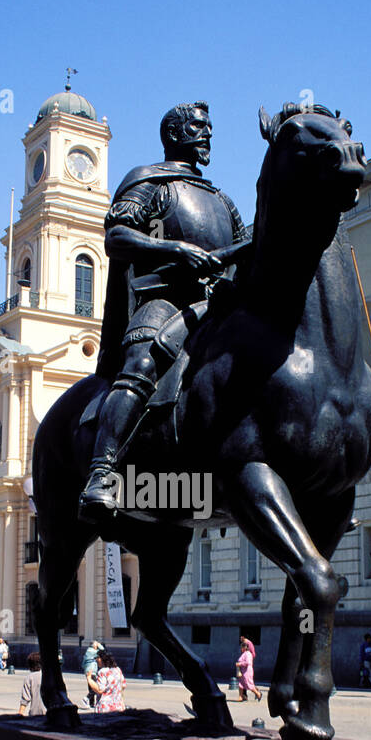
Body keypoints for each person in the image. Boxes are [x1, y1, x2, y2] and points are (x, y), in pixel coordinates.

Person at [78, 101, 250, 520]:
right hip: (165, 299)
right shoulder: (149, 182)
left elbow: (246, 250)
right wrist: (173, 249)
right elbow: (116, 236)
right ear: (173, 134)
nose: (207, 133)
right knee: (142, 361)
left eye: (210, 126)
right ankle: (102, 472)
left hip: (217, 303)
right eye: (197, 125)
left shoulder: (222, 200)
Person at [236, 636, 263, 702]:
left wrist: (240, 664)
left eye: (242, 647)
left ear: (245, 647)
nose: (241, 649)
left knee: (249, 684)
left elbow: (247, 662)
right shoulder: (244, 653)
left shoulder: (248, 654)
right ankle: (241, 697)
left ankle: (258, 693)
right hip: (243, 671)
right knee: (241, 684)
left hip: (247, 671)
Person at [81, 639, 104, 708]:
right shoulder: (92, 651)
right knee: (95, 687)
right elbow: (102, 650)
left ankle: (91, 703)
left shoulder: (88, 651)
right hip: (91, 671)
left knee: (91, 687)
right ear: (93, 645)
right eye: (95, 644)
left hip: (89, 670)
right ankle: (86, 698)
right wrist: (99, 645)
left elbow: (83, 663)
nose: (96, 645)